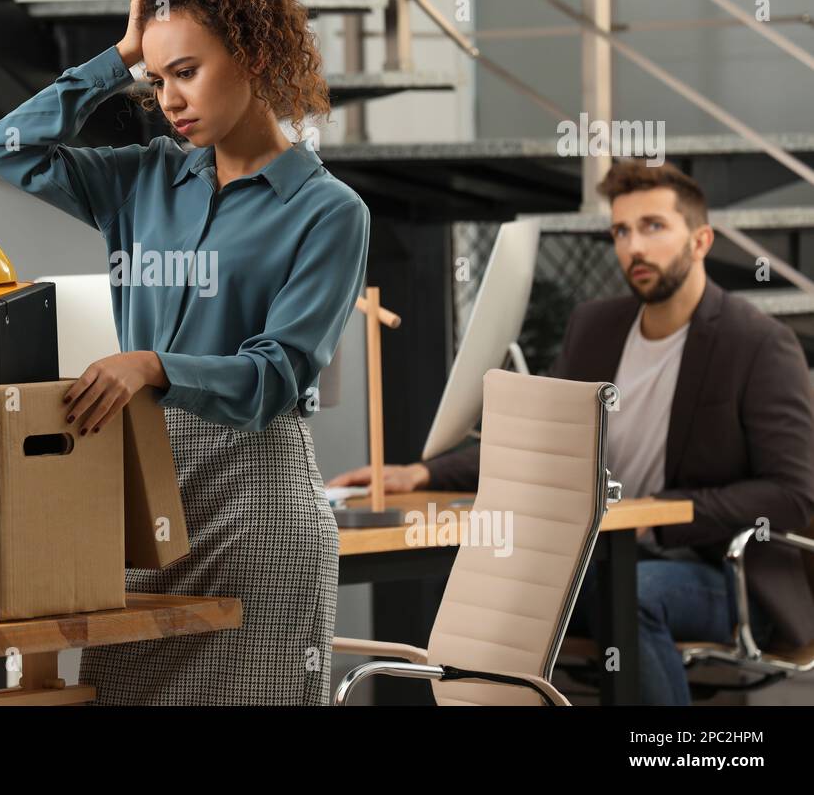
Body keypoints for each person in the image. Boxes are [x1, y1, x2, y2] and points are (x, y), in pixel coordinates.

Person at [0, 0, 369, 704]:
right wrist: (119, 54)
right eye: (156, 80)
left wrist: (154, 366)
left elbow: (274, 378)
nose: (170, 101)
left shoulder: (330, 213)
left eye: (186, 72)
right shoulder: (142, 180)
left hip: (261, 517)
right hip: (144, 510)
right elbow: (9, 147)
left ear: (253, 55)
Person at [330, 161, 814, 705]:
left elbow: (791, 497)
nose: (634, 246)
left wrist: (661, 510)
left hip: (720, 573)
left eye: (653, 226)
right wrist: (421, 473)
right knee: (481, 591)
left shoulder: (758, 344)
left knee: (631, 597)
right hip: (602, 562)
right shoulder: (597, 328)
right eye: (621, 231)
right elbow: (546, 447)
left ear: (701, 240)